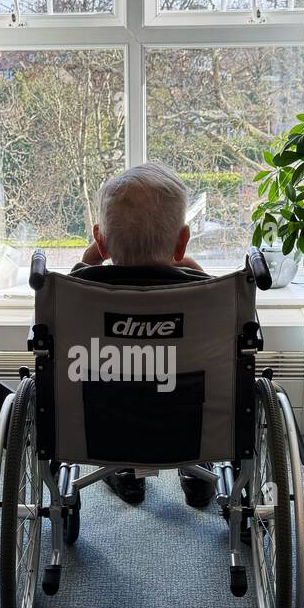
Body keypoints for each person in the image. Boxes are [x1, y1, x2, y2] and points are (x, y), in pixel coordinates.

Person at [71, 162, 213, 509]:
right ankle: (197, 473)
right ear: (182, 241)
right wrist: (187, 263)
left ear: (101, 242)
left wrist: (95, 252)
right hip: (188, 425)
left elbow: (80, 271)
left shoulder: (80, 292)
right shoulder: (206, 295)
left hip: (104, 424)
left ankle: (124, 470)